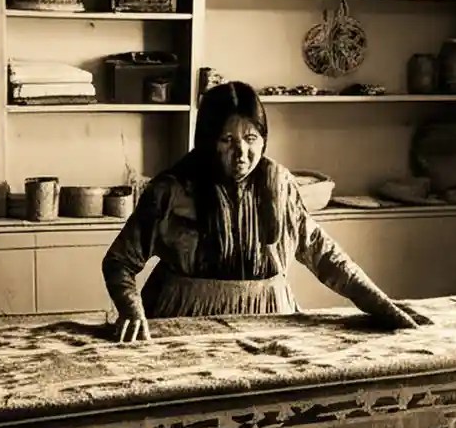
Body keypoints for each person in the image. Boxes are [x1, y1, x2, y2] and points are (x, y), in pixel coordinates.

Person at [102, 81, 431, 342]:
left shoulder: (280, 185)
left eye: (251, 137)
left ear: (264, 139)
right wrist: (131, 311)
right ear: (205, 141)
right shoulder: (172, 190)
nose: (241, 152)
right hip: (185, 323)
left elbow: (324, 255)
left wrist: (380, 305)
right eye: (227, 140)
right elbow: (119, 262)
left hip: (271, 324)